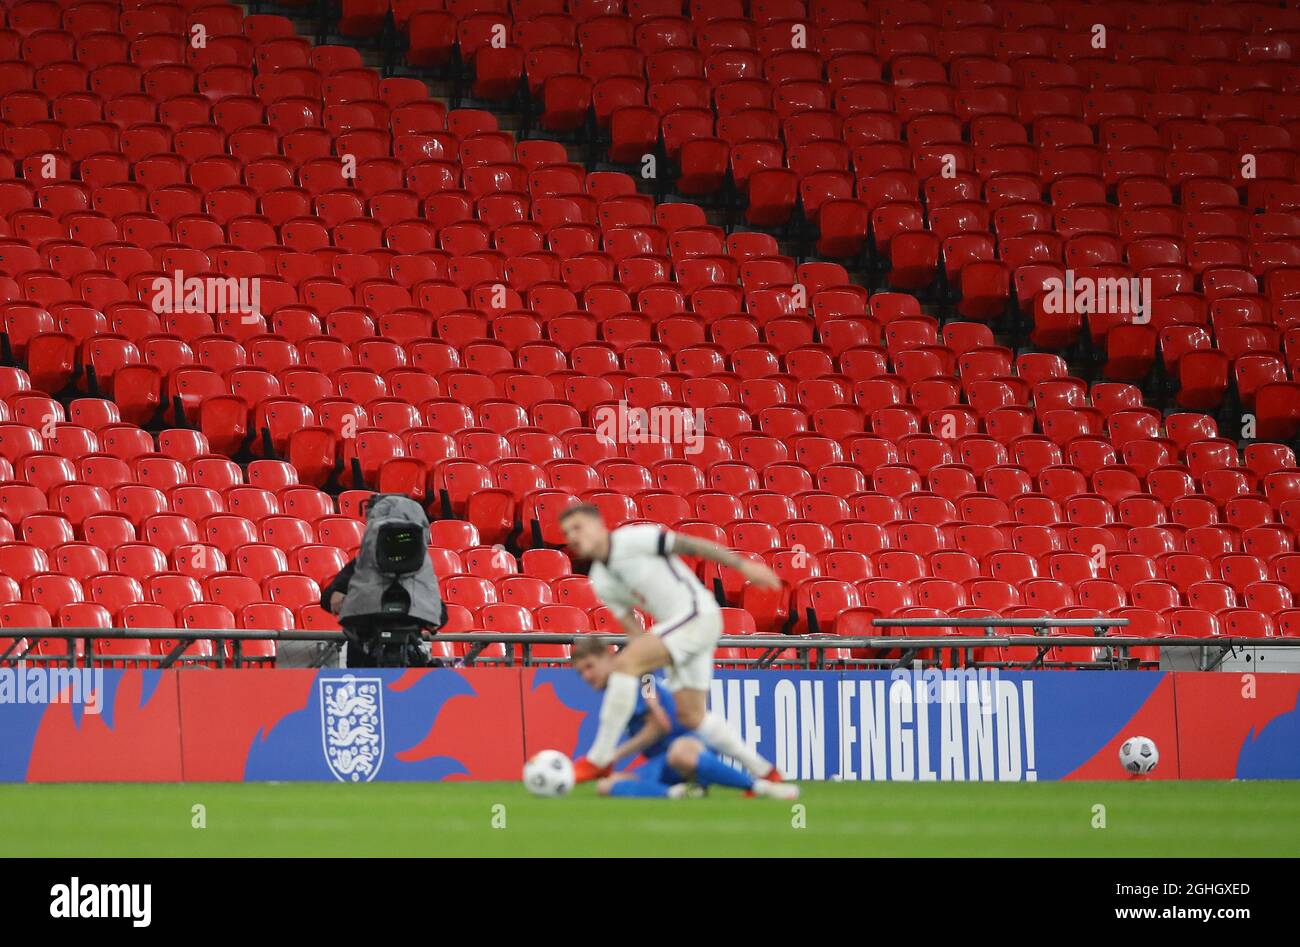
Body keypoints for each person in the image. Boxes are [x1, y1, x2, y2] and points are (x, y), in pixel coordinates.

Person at [558, 503, 792, 791]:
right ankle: (766, 772)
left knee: (624, 664)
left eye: (578, 527)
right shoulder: (602, 580)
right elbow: (634, 633)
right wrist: (642, 669)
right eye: (567, 532)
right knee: (691, 716)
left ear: (598, 524)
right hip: (680, 630)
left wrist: (743, 566)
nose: (573, 536)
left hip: (697, 613)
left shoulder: (632, 539)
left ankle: (599, 758)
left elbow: (690, 545)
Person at [571, 637, 794, 799]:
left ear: (607, 658)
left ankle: (761, 786)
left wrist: (612, 755)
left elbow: (658, 726)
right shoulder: (624, 685)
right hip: (664, 763)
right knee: (607, 787)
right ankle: (678, 793)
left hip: (690, 746)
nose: (587, 676)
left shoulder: (629, 682)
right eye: (581, 673)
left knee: (680, 751)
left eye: (590, 667)